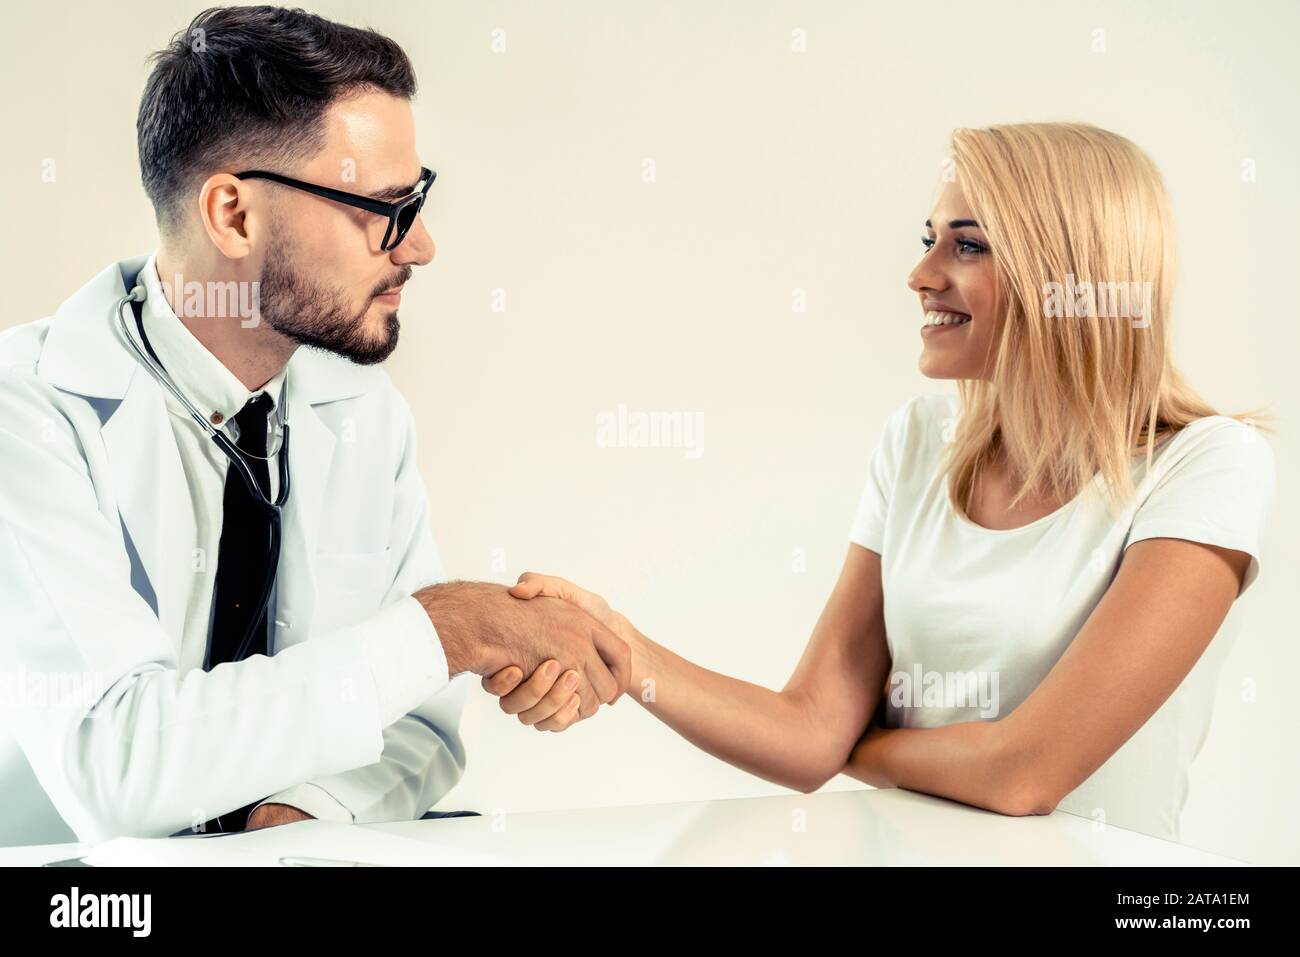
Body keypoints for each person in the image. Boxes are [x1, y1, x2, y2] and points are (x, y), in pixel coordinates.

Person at [484, 122, 1277, 843]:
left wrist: (853, 744)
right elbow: (805, 729)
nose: (919, 274)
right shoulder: (918, 443)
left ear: (1064, 273)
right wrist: (622, 648)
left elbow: (1026, 773)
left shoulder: (1209, 466)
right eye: (930, 239)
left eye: (966, 246)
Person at [0, 6, 629, 848]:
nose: (421, 245)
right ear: (232, 215)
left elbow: (416, 721)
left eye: (417, 198)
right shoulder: (29, 412)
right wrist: (450, 626)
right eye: (381, 207)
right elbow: (118, 765)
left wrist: (300, 816)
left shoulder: (360, 410)